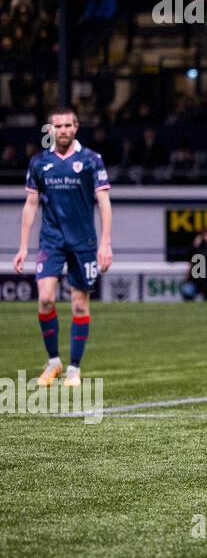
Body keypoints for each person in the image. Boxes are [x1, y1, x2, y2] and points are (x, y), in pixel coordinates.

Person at [13, 107, 112, 388]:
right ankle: (54, 362)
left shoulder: (92, 160)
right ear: (50, 130)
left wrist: (105, 243)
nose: (64, 130)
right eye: (58, 126)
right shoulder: (39, 162)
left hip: (83, 243)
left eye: (68, 125)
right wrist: (22, 247)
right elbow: (31, 205)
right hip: (51, 241)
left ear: (76, 127)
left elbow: (104, 203)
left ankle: (74, 368)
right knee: (45, 299)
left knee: (79, 304)